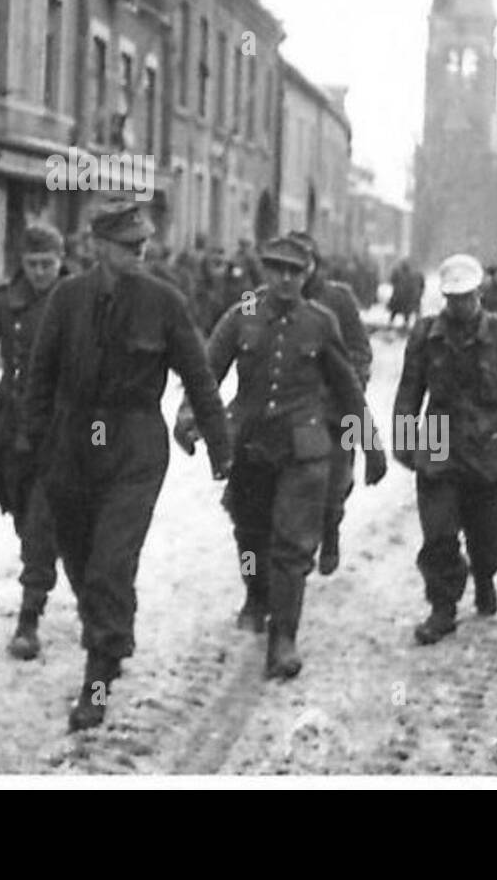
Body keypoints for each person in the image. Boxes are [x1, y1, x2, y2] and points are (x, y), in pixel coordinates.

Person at [23, 201, 231, 731]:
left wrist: (220, 445)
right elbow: (40, 377)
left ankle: (97, 677)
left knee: (110, 564)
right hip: (73, 444)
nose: (138, 250)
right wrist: (34, 444)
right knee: (80, 561)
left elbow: (200, 377)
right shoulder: (67, 299)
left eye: (142, 243)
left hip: (133, 447)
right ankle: (110, 635)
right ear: (97, 246)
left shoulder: (165, 302)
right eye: (125, 243)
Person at [199, 235, 385, 678]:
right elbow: (207, 371)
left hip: (303, 450)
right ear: (265, 271)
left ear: (307, 275)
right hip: (250, 446)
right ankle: (255, 594)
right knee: (249, 533)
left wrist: (371, 445)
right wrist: (192, 417)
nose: (285, 280)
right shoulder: (242, 313)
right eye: (277, 270)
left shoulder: (321, 321)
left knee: (291, 543)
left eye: (295, 272)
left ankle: (284, 636)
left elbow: (348, 388)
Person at [391, 253, 497, 645]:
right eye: (453, 299)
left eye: (467, 297)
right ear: (444, 298)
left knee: (492, 536)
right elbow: (408, 395)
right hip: (439, 447)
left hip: (490, 452)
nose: (460, 306)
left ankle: (484, 574)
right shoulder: (426, 336)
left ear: (479, 294)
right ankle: (442, 608)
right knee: (438, 535)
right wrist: (405, 445)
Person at [0, 221, 67, 660]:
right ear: (20, 263)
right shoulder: (5, 301)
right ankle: (41, 569)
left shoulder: (78, 297)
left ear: (61, 261)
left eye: (48, 263)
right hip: (13, 425)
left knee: (43, 519)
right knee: (24, 512)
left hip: (63, 425)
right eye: (32, 264)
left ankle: (29, 615)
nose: (41, 272)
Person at [286, 232, 374, 576]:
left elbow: (361, 352)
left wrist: (347, 386)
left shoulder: (338, 299)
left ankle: (331, 530)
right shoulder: (264, 299)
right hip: (291, 412)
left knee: (336, 483)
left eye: (299, 264)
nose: (290, 274)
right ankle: (290, 558)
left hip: (337, 411)